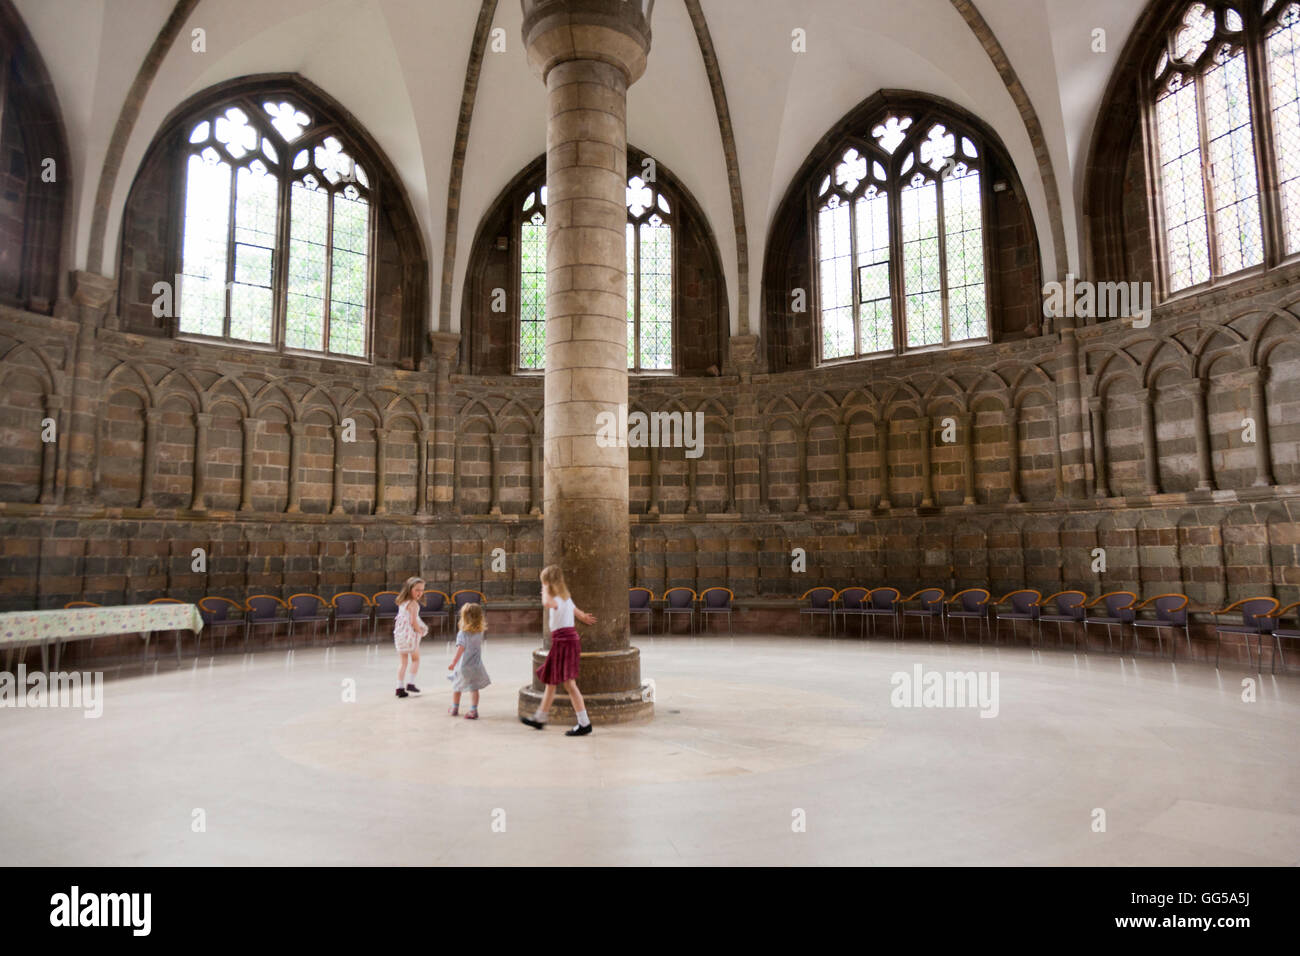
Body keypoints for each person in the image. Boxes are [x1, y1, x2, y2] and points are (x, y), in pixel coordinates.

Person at [520, 564, 597, 736]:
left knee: (569, 684)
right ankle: (540, 718)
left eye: (544, 583)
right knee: (552, 682)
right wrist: (583, 616)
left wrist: (545, 589)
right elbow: (575, 610)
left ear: (548, 582)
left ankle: (584, 723)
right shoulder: (565, 598)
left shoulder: (556, 599)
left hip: (565, 641)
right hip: (564, 641)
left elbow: (547, 602)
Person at [448, 602, 490, 718]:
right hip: (476, 665)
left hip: (463, 665)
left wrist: (453, 662)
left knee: (457, 687)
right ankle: (473, 710)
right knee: (474, 688)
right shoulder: (479, 632)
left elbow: (460, 649)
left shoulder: (462, 634)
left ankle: (454, 708)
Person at [393, 576, 427, 698]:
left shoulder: (402, 602)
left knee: (403, 663)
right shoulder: (413, 604)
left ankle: (399, 687)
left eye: (422, 590)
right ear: (409, 589)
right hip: (409, 637)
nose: (420, 593)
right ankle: (411, 683)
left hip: (399, 635)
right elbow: (413, 621)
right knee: (416, 659)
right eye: (417, 589)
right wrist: (420, 631)